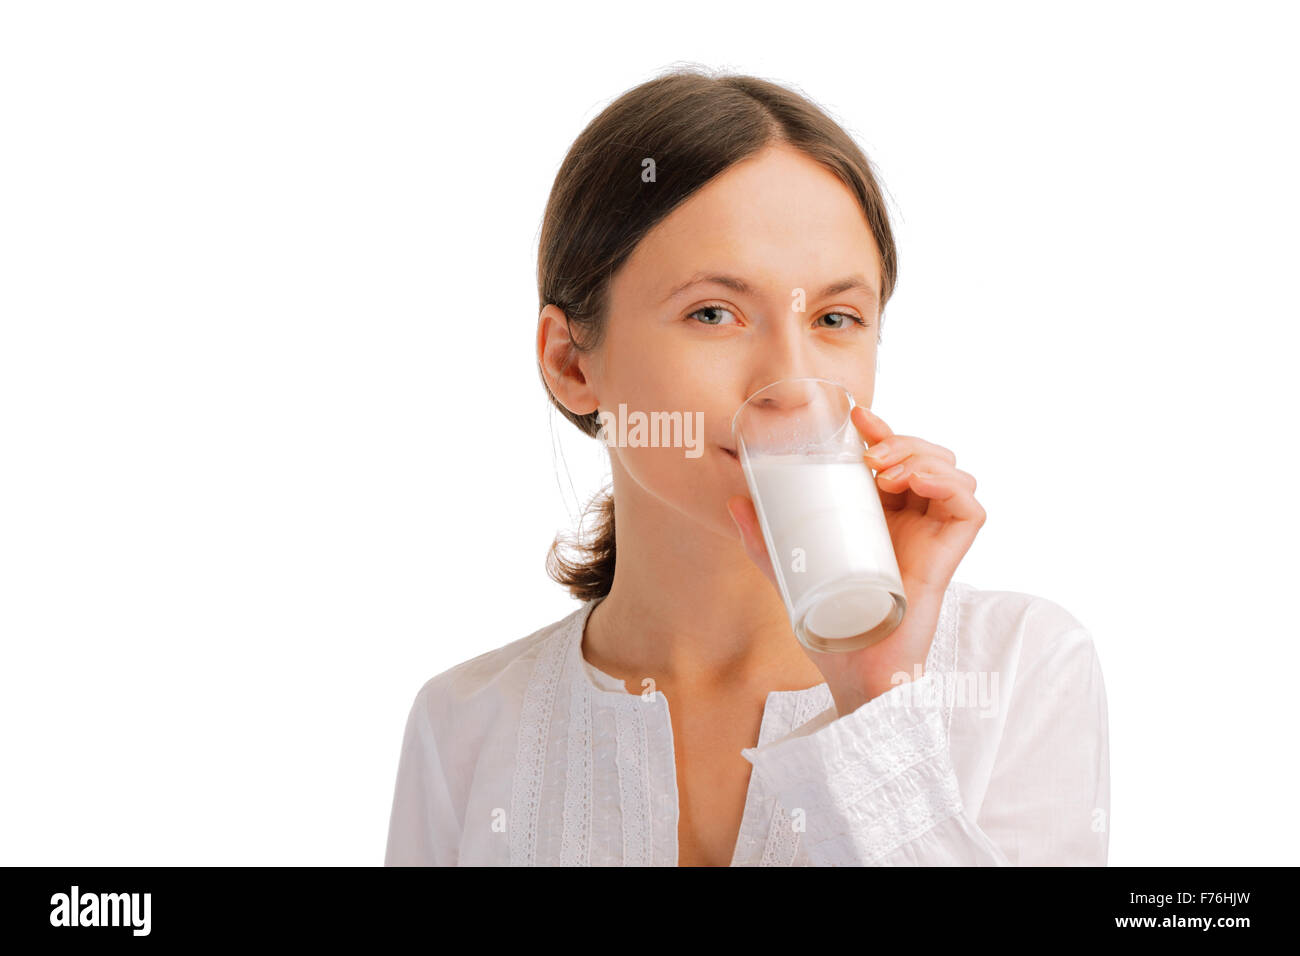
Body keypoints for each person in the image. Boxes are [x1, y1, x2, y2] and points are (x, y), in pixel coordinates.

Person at [384, 66, 1110, 866]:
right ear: (571, 362)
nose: (787, 383)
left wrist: (876, 698)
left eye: (836, 317)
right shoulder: (464, 727)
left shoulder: (1019, 668)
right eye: (713, 313)